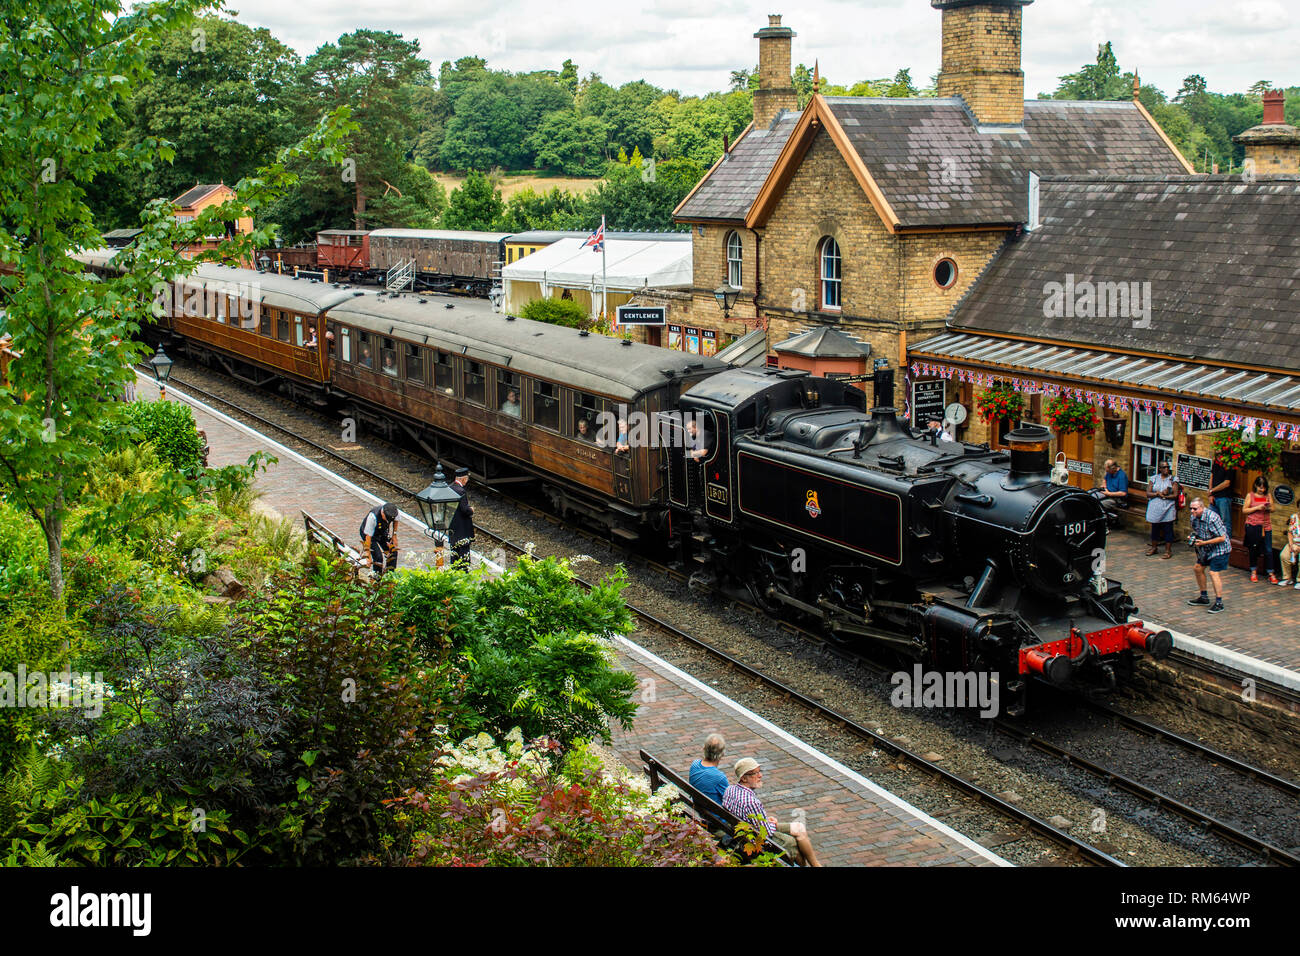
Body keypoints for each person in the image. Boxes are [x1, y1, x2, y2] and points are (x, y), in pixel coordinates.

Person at [722, 758, 821, 867]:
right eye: (756, 773)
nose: (760, 776)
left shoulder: (730, 790)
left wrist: (767, 822)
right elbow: (766, 833)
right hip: (756, 838)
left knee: (799, 828)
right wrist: (774, 823)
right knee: (793, 841)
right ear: (744, 778)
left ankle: (815, 865)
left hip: (744, 830)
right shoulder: (751, 802)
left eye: (760, 771)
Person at [1188, 497, 1230, 614]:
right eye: (1191, 508)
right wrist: (1193, 537)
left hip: (1220, 548)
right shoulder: (1194, 517)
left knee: (1213, 572)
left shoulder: (1213, 518)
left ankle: (1219, 602)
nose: (1192, 511)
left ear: (1202, 508)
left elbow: (1222, 537)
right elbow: (1197, 531)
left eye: (1195, 509)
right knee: (1197, 568)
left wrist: (1204, 542)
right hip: (1206, 548)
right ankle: (1204, 597)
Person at [1242, 475, 1275, 584]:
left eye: (1264, 488)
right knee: (1253, 549)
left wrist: (1268, 507)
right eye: (1260, 487)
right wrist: (1257, 507)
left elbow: (1273, 509)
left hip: (1266, 526)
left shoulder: (1268, 495)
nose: (1262, 490)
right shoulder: (1250, 495)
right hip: (1253, 525)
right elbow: (1244, 510)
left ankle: (1271, 573)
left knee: (1269, 550)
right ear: (1256, 486)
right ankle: (1253, 571)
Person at [1144, 460, 1179, 558]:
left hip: (1168, 507)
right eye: (1164, 467)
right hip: (1155, 507)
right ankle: (1154, 548)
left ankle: (1168, 551)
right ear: (1159, 469)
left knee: (1168, 528)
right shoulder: (1154, 478)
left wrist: (1165, 496)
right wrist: (1157, 494)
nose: (1166, 469)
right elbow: (1148, 493)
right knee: (1155, 528)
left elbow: (1175, 495)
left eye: (1168, 467)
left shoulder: (1173, 479)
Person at [360, 502, 400, 577]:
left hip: (382, 532)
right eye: (386, 519)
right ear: (382, 513)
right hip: (368, 534)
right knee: (378, 557)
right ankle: (376, 579)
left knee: (393, 551)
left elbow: (396, 520)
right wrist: (368, 555)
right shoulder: (373, 517)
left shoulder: (394, 511)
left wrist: (394, 535)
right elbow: (368, 537)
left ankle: (389, 577)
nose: (388, 522)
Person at [688, 734, 729, 805]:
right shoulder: (719, 778)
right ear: (722, 754)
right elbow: (730, 801)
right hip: (714, 815)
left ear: (704, 749)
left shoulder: (695, 764)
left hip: (698, 807)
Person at [448, 466, 474, 568]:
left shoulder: (449, 488)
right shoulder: (461, 491)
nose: (466, 482)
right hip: (462, 530)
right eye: (466, 479)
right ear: (463, 479)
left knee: (454, 556)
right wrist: (471, 509)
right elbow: (464, 509)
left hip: (453, 529)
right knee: (464, 556)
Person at [1209, 456, 1235, 531]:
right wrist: (1211, 494)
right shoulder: (1216, 464)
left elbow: (1226, 483)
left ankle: (1226, 541)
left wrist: (1212, 491)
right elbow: (1211, 477)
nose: (1219, 457)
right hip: (1214, 497)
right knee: (1211, 520)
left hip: (1224, 497)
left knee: (1225, 522)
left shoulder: (1230, 466)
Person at [1277, 511, 1300, 589]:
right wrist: (1291, 545)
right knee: (1284, 555)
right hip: (1294, 543)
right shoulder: (1294, 517)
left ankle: (1299, 580)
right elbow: (1290, 532)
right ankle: (1288, 578)